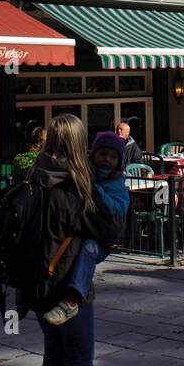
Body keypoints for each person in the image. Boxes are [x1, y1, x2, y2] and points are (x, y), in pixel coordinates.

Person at [23, 115, 113, 366]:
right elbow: (105, 231)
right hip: (68, 283)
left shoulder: (33, 177)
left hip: (36, 282)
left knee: (54, 351)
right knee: (78, 356)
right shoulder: (76, 187)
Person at [43, 131, 129, 327]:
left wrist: (96, 193)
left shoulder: (117, 185)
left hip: (97, 238)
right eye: (103, 154)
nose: (107, 159)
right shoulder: (84, 175)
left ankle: (72, 298)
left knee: (89, 248)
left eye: (113, 156)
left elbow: (116, 213)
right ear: (93, 154)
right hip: (76, 233)